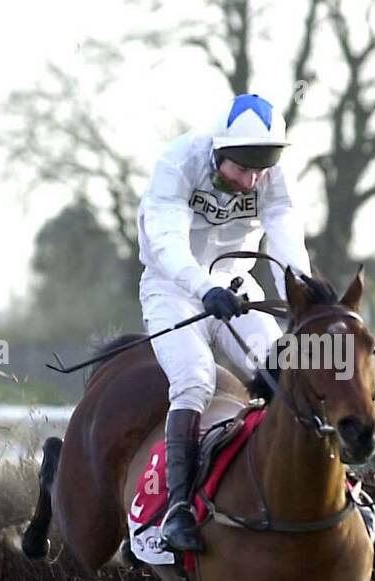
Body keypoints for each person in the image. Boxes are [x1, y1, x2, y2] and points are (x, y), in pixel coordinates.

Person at [136, 93, 311, 552]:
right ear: (216, 151)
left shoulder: (268, 176)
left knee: (281, 369)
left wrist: (303, 296)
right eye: (241, 169)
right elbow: (169, 243)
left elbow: (285, 232)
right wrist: (202, 287)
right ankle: (175, 511)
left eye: (261, 170)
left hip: (233, 286)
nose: (252, 180)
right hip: (172, 288)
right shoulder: (178, 161)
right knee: (194, 380)